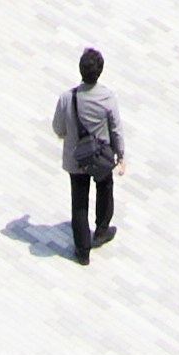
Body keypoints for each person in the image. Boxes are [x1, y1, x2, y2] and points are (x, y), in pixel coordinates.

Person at [55, 46, 129, 262]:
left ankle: (83, 251)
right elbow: (116, 129)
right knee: (105, 188)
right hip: (101, 157)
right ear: (100, 72)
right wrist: (121, 156)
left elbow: (58, 128)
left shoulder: (67, 98)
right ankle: (101, 230)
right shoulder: (107, 98)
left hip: (76, 158)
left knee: (79, 202)